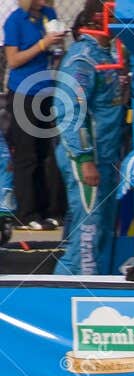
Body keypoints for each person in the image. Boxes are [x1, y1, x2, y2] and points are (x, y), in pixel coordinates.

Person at [52, 0, 124, 275]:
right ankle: (66, 296)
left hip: (106, 156)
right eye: (114, 16)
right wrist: (84, 159)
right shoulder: (83, 58)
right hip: (85, 158)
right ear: (99, 18)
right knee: (87, 233)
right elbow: (69, 111)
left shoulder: (110, 55)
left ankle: (98, 287)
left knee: (103, 229)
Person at [3, 0, 65, 230]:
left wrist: (56, 45)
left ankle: (52, 209)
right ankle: (27, 212)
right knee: (27, 153)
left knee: (49, 153)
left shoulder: (49, 14)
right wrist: (42, 44)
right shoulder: (15, 20)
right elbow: (13, 60)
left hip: (47, 89)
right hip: (24, 93)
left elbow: (56, 48)